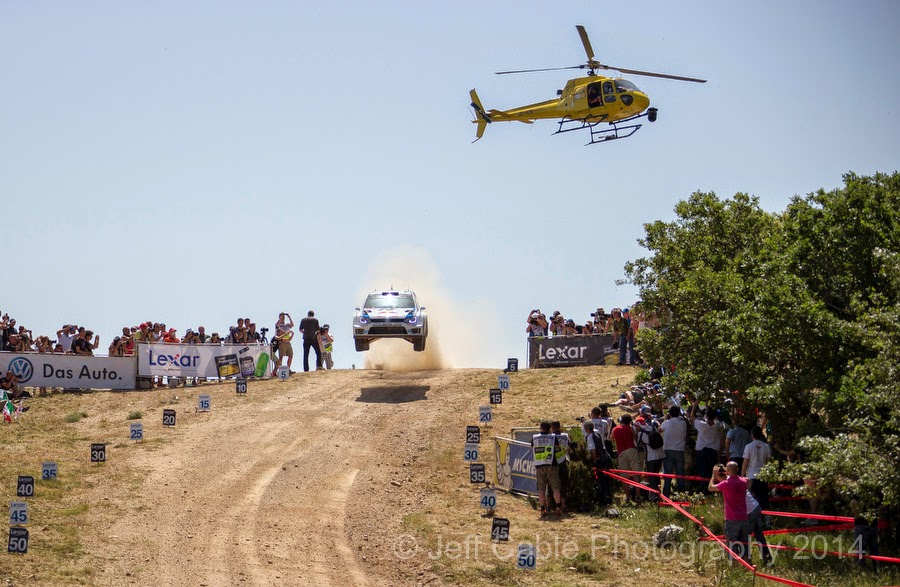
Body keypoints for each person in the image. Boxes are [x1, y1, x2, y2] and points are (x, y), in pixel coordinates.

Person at [709, 462, 750, 564]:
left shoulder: (726, 484)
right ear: (738, 469)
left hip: (731, 519)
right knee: (745, 544)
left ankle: (734, 566)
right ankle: (747, 565)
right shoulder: (743, 481)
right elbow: (748, 481)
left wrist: (713, 476)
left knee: (732, 545)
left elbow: (711, 488)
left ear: (727, 471)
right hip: (744, 517)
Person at [691, 399, 725, 489]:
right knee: (711, 471)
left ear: (706, 416)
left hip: (702, 452)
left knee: (702, 471)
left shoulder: (702, 425)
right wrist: (708, 407)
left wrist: (695, 405)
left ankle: (703, 489)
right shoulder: (717, 425)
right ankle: (710, 488)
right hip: (713, 451)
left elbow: (692, 417)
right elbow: (715, 418)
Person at [531, 421, 562, 517]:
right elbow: (558, 449)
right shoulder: (553, 437)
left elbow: (532, 447)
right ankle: (558, 507)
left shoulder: (535, 437)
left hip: (540, 465)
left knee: (541, 489)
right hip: (552, 464)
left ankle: (543, 509)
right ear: (549, 428)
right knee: (555, 488)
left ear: (541, 428)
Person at [636, 406, 665, 499]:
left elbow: (638, 444)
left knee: (652, 476)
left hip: (651, 457)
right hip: (660, 455)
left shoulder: (641, 433)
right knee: (657, 475)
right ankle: (659, 493)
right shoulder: (653, 427)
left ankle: (653, 495)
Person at [741, 425, 772, 512]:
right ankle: (767, 520)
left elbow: (745, 463)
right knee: (764, 499)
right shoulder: (766, 446)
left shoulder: (748, 446)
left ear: (752, 435)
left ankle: (754, 521)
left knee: (752, 499)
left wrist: (742, 476)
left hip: (751, 476)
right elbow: (768, 462)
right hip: (763, 475)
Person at [611, 414, 641, 501]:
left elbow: (611, 439)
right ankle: (638, 495)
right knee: (636, 474)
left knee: (624, 475)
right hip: (632, 450)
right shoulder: (630, 428)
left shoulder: (615, 429)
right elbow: (634, 438)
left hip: (621, 452)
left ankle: (628, 496)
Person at [660, 405, 688, 496]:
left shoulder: (667, 423)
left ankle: (666, 494)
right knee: (680, 473)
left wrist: (665, 418)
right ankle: (682, 494)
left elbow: (659, 429)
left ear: (670, 414)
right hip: (680, 449)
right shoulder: (683, 423)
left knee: (667, 473)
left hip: (668, 449)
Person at [585, 420, 612, 505]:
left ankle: (603, 500)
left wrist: (593, 461)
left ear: (586, 429)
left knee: (601, 480)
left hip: (599, 459)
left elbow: (593, 451)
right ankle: (609, 497)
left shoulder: (590, 437)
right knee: (607, 479)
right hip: (605, 457)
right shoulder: (597, 432)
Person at [746, 489, 773, 566]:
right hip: (755, 507)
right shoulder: (739, 479)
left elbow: (711, 488)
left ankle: (747, 562)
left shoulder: (728, 482)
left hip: (749, 510)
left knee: (745, 536)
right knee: (759, 535)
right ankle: (768, 560)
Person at [550, 421, 570, 514]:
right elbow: (569, 445)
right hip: (563, 461)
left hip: (553, 462)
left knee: (552, 485)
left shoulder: (551, 437)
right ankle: (564, 505)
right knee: (563, 484)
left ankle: (551, 505)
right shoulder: (565, 435)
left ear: (552, 428)